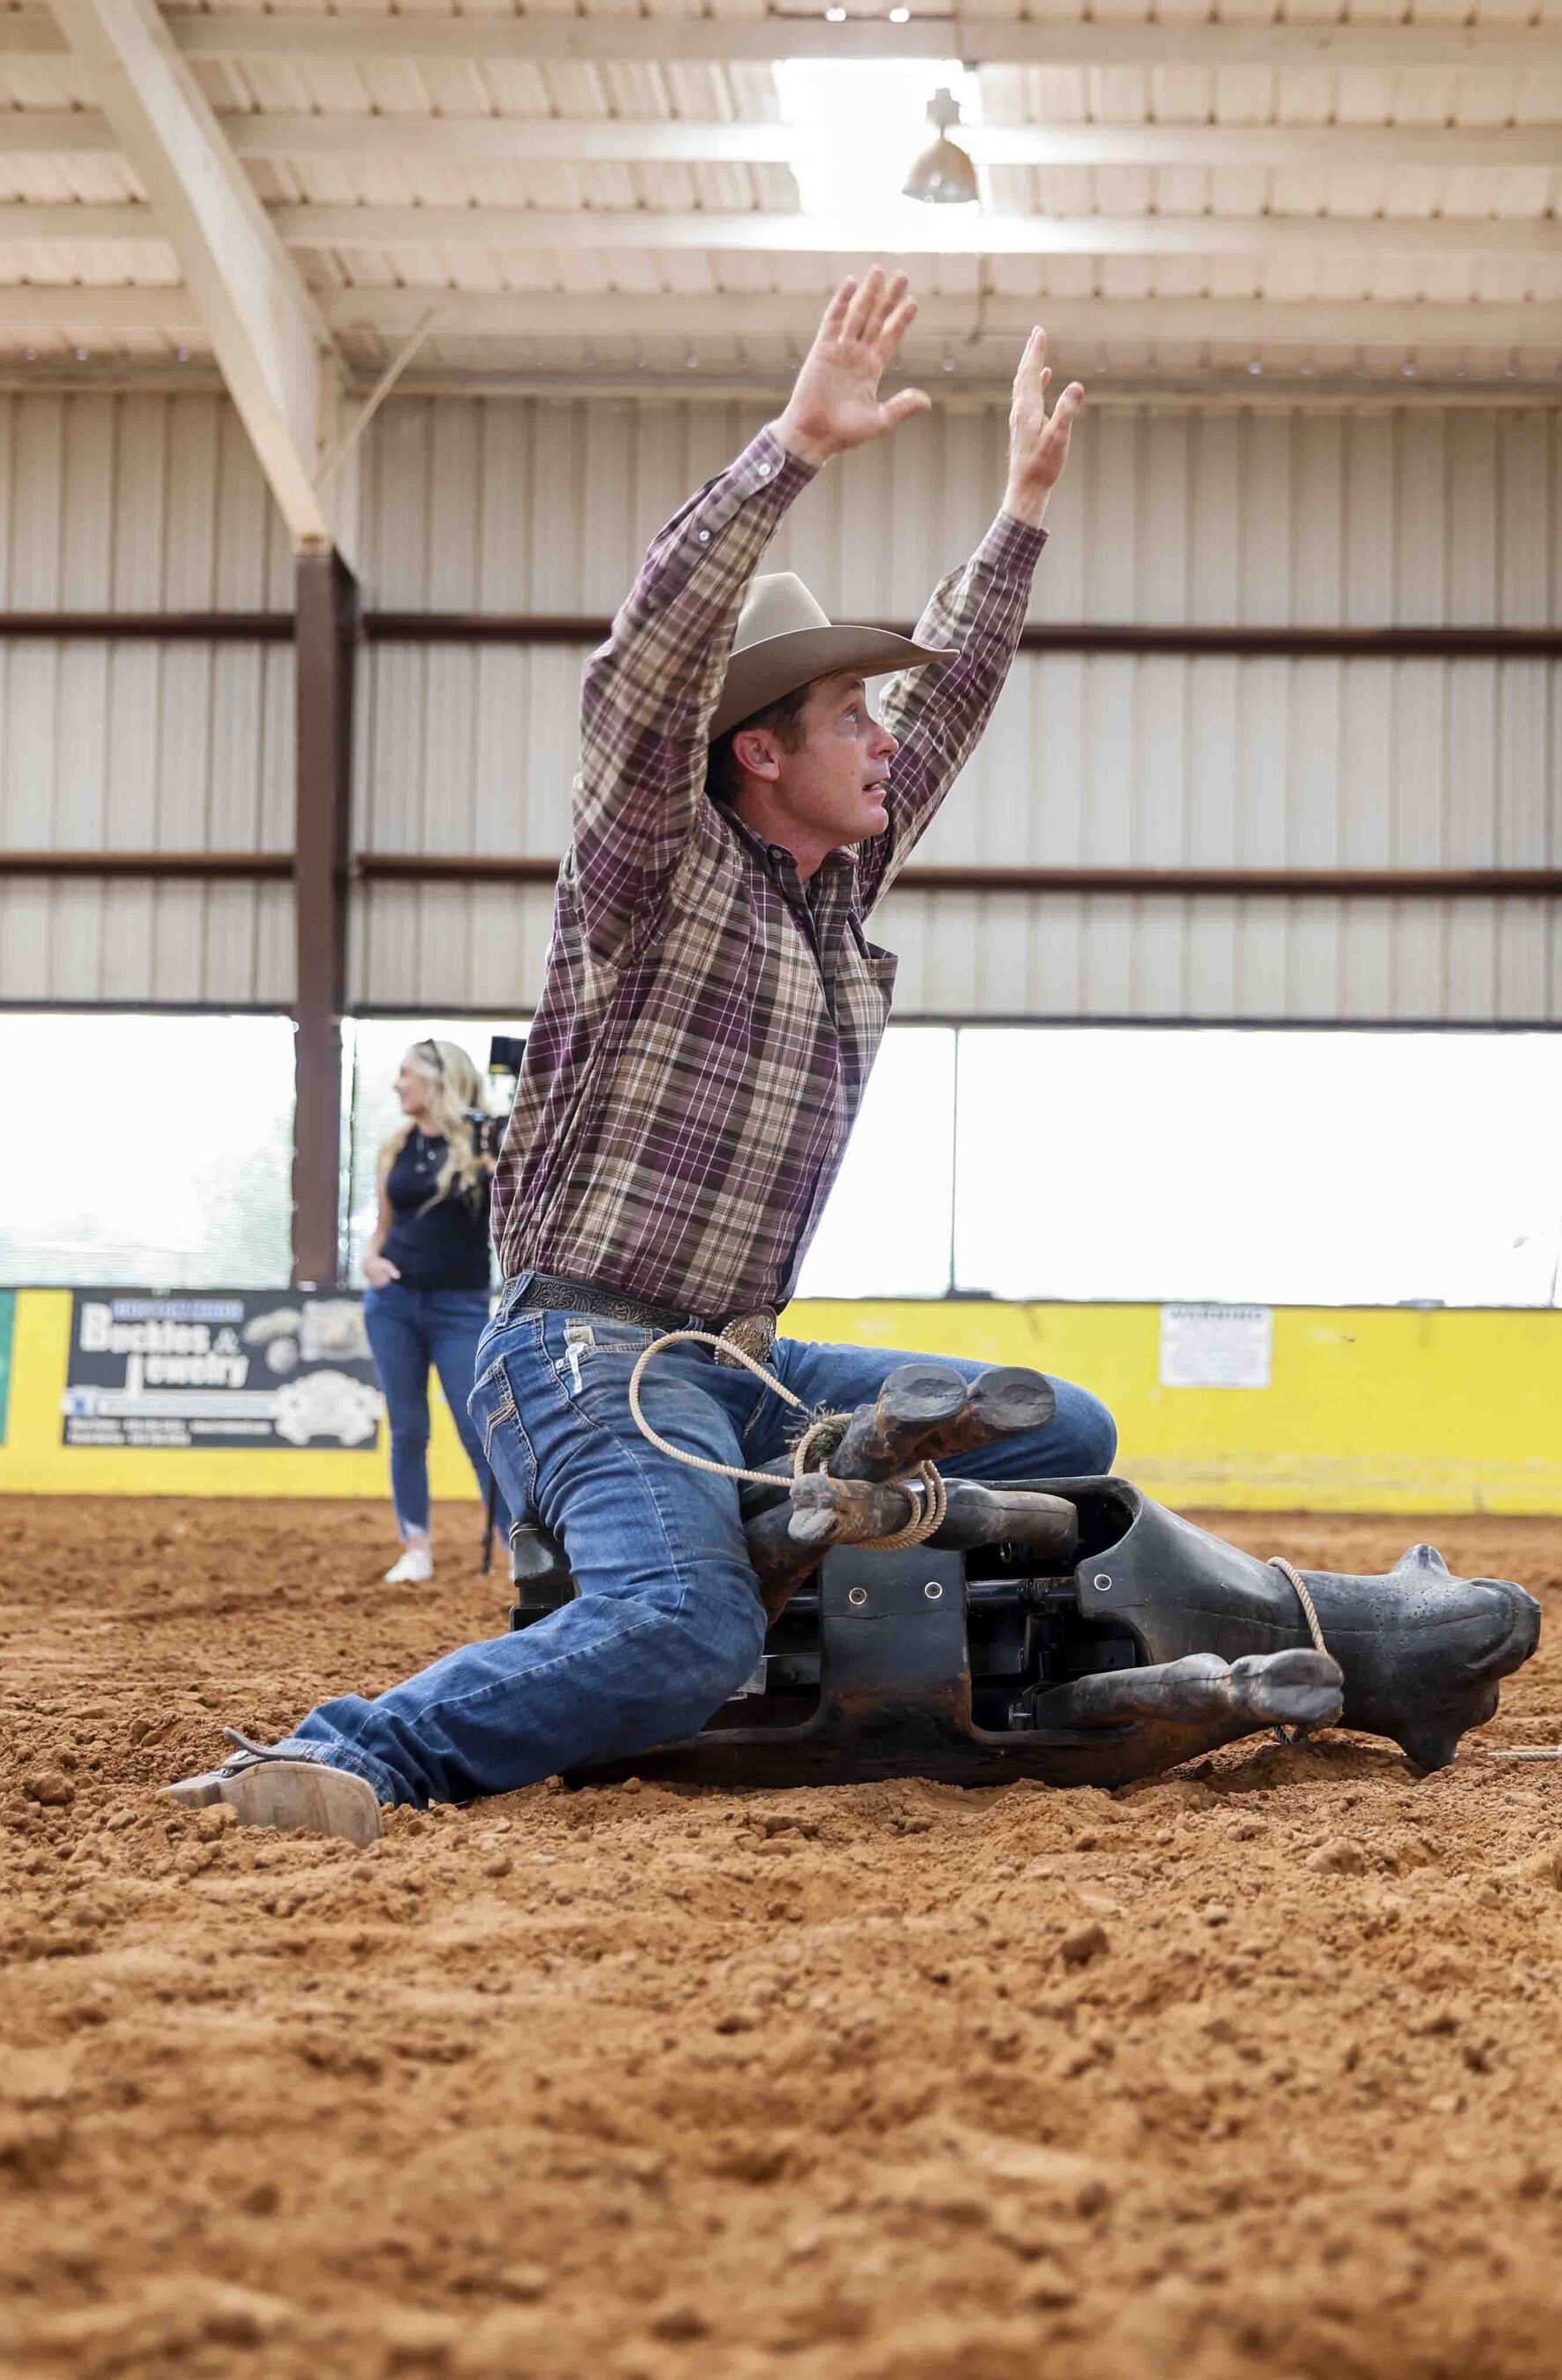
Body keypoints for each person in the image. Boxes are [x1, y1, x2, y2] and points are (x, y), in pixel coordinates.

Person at [165, 276, 1106, 1839]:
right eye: (848, 714)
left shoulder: (831, 887)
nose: (884, 740)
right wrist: (792, 449)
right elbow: (643, 670)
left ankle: (786, 1515)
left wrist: (1015, 517)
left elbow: (948, 711)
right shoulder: (652, 867)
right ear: (757, 748)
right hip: (581, 1348)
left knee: (1058, 1425)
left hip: (729, 1353)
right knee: (680, 1633)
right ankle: (359, 1748)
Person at [360, 1037, 503, 1584]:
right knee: (408, 1428)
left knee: (478, 1427)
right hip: (392, 1303)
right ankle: (415, 1546)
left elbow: (511, 1221)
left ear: (438, 1081)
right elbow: (383, 1229)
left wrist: (497, 1164)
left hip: (460, 1306)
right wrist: (371, 1262)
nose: (398, 1084)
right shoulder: (396, 1146)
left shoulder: (483, 1149)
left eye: (406, 1074)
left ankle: (514, 1546)